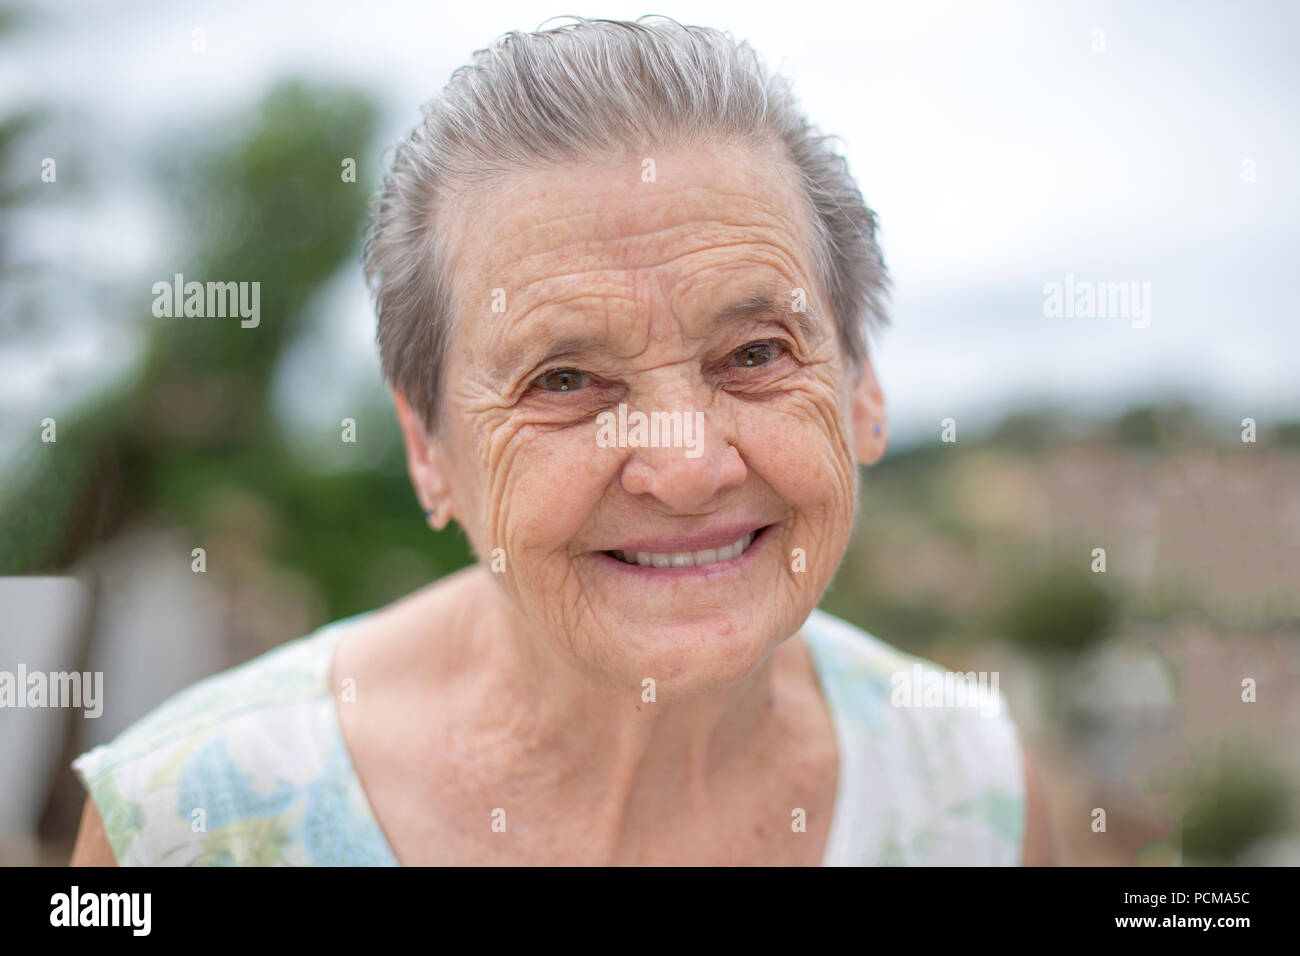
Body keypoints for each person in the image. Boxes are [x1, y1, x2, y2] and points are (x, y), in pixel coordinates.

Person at [71, 16, 1050, 866]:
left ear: (862, 388)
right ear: (426, 446)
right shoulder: (187, 820)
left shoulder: (973, 790)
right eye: (566, 380)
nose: (686, 465)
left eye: (754, 352)